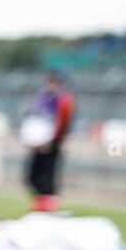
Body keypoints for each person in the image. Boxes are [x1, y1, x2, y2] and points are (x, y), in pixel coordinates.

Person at [26, 71, 76, 211]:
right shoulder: (42, 97)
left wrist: (52, 140)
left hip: (51, 143)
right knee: (34, 175)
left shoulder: (64, 99)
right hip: (38, 143)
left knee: (47, 176)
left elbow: (63, 122)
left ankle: (48, 206)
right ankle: (40, 204)